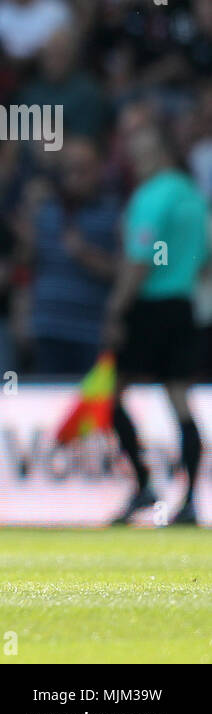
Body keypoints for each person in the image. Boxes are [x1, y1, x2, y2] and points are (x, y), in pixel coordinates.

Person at [104, 127, 209, 526]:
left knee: (112, 396)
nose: (136, 159)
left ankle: (145, 482)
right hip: (183, 305)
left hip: (149, 306)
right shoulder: (193, 197)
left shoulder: (152, 196)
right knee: (180, 398)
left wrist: (116, 310)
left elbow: (138, 260)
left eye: (143, 152)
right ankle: (189, 501)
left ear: (162, 153)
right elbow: (204, 259)